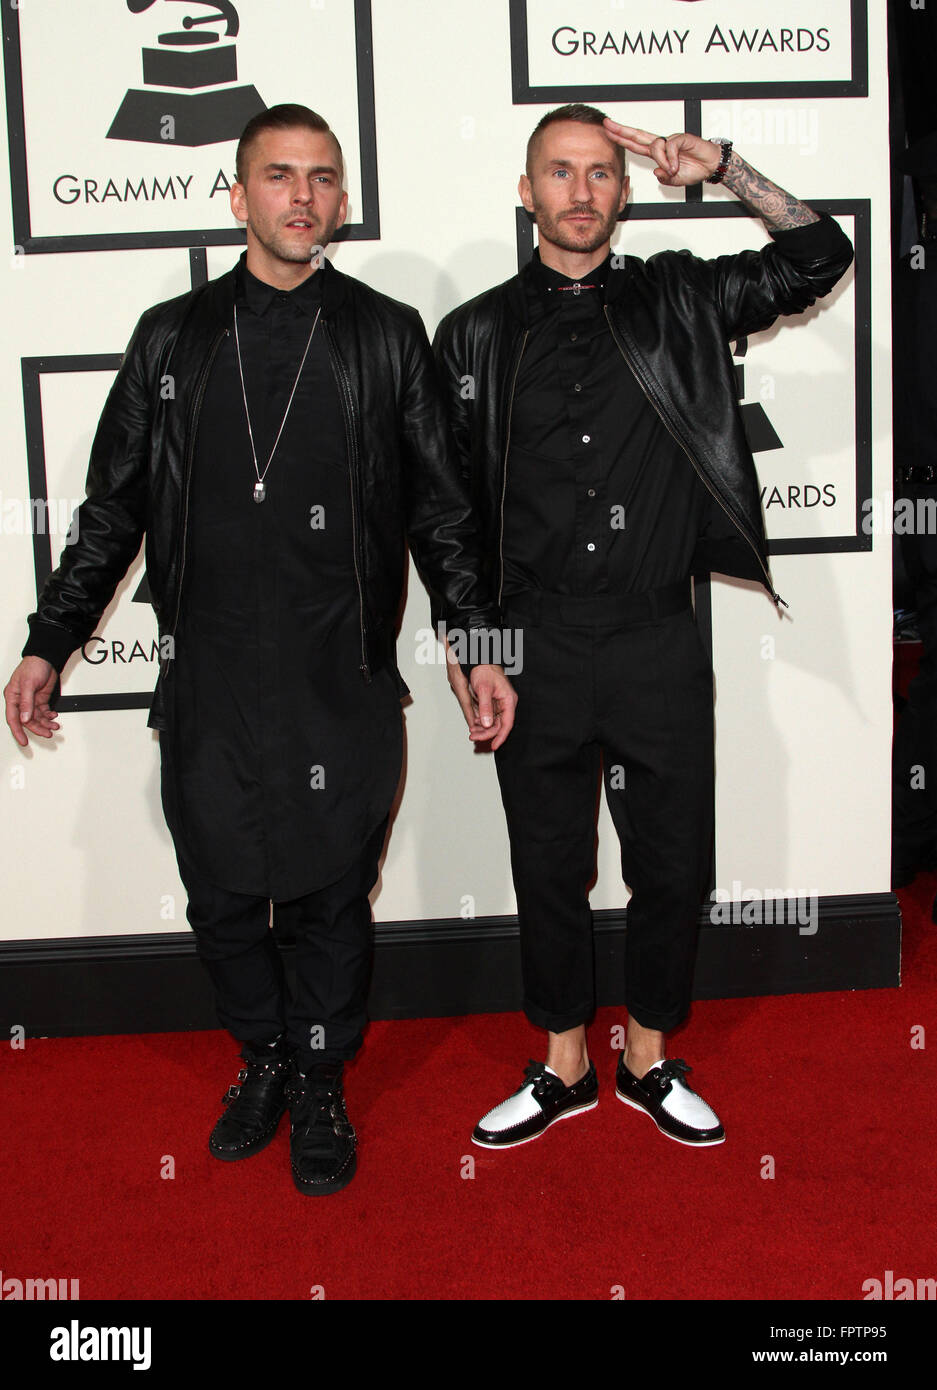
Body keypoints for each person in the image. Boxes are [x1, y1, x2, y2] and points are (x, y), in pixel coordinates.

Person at [4, 104, 515, 1195]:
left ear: (341, 198)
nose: (302, 196)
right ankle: (265, 1058)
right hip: (211, 674)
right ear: (238, 197)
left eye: (322, 177)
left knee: (334, 893)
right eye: (278, 175)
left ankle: (324, 1077)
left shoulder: (384, 336)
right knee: (224, 894)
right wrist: (50, 641)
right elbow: (112, 513)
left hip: (342, 674)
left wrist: (478, 646)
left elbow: (444, 518)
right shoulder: (173, 339)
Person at [433, 104, 853, 1150]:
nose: (582, 191)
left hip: (658, 632)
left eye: (599, 174)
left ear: (624, 192)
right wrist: (474, 646)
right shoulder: (472, 334)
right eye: (559, 173)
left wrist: (727, 169)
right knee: (546, 861)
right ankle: (565, 1061)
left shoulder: (680, 297)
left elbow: (818, 254)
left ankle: (650, 1057)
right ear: (525, 194)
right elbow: (446, 516)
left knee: (673, 861)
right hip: (527, 641)